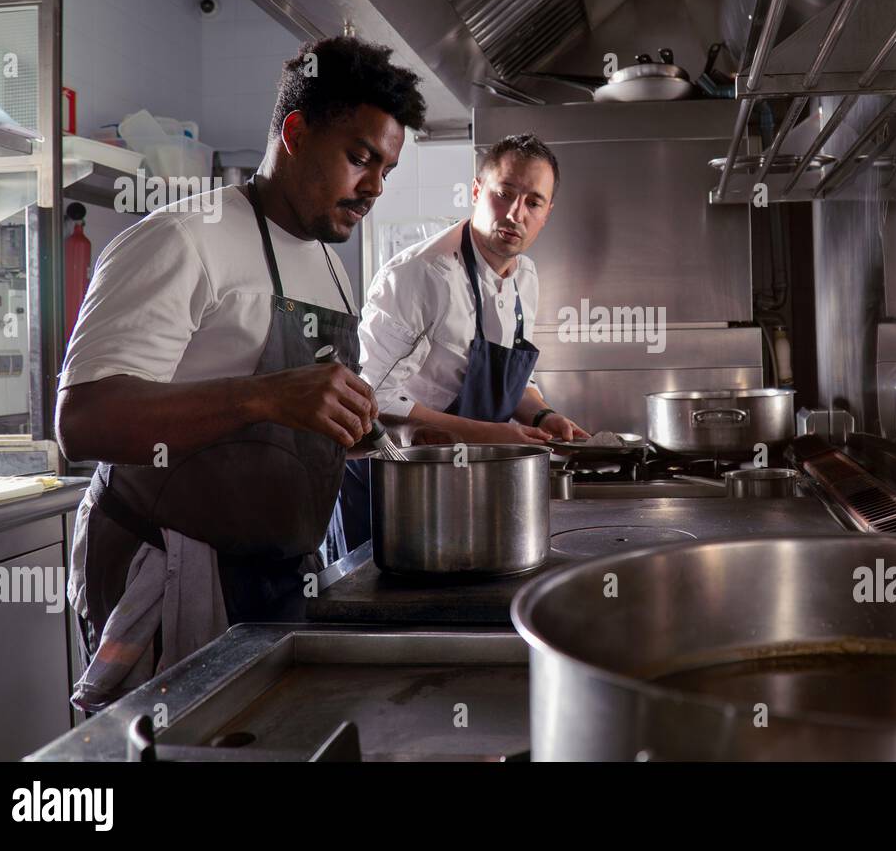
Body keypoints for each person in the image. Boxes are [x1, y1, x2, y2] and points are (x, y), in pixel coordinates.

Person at [56, 35, 425, 708]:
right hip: (174, 571)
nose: (373, 187)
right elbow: (82, 420)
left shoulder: (332, 263)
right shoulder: (182, 239)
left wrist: (353, 424)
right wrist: (262, 399)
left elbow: (302, 406)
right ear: (295, 131)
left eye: (386, 171)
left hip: (279, 575)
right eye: (360, 158)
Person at [328, 133, 588, 556]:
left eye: (533, 203)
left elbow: (510, 379)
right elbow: (371, 400)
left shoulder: (526, 278)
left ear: (547, 213)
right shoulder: (419, 276)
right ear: (476, 191)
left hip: (465, 482)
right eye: (504, 194)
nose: (515, 214)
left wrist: (543, 415)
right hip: (395, 484)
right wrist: (495, 436)